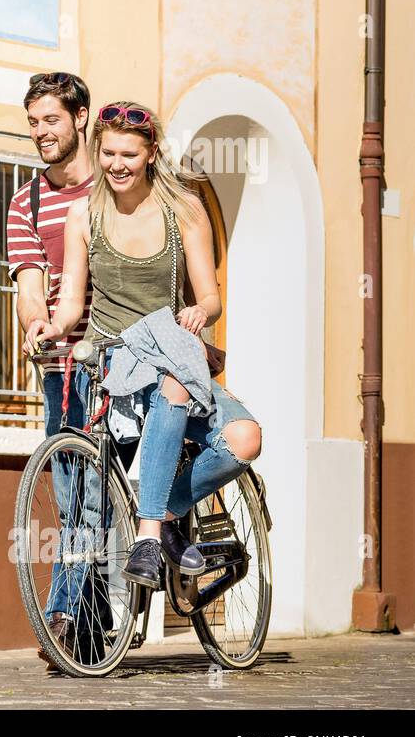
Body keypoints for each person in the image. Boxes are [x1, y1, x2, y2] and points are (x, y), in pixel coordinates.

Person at [26, 101, 262, 591]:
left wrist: (202, 312)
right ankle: (150, 537)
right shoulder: (83, 215)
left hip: (173, 351)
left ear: (151, 152)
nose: (117, 164)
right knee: (174, 386)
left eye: (129, 154)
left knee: (245, 439)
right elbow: (72, 302)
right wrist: (48, 327)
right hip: (118, 363)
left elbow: (210, 296)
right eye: (108, 153)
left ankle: (166, 513)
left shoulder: (185, 210)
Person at [7, 72, 105, 666]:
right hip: (64, 363)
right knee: (76, 495)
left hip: (120, 356)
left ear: (81, 117)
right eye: (34, 122)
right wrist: (34, 326)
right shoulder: (29, 201)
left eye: (52, 120)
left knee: (108, 493)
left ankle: (82, 612)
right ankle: (72, 616)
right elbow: (29, 283)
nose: (42, 132)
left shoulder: (115, 184)